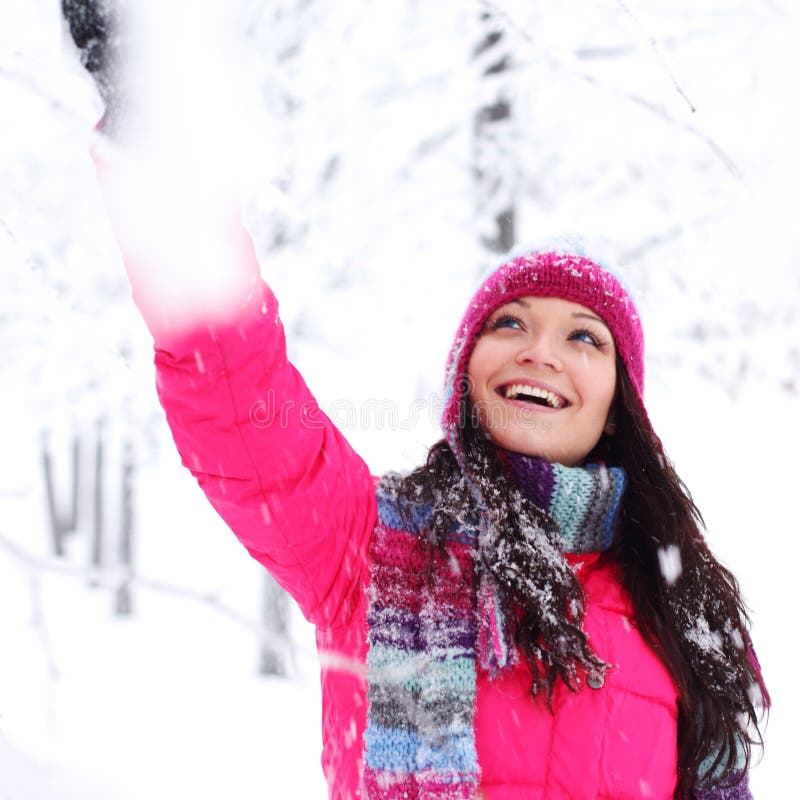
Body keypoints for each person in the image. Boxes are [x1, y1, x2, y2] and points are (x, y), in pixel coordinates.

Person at [62, 3, 768, 798]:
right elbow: (235, 392)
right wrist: (156, 128)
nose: (540, 350)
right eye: (510, 324)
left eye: (584, 338)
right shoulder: (368, 550)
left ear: (618, 403)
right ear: (468, 374)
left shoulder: (683, 610)